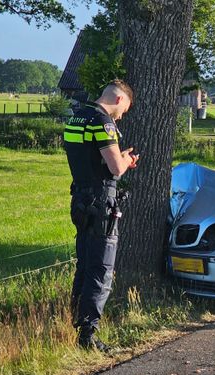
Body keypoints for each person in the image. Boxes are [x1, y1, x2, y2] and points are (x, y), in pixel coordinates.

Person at [63, 80, 138, 351]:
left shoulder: (77, 118)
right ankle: (88, 336)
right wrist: (127, 160)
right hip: (101, 201)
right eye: (125, 109)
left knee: (84, 264)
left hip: (80, 198)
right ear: (119, 100)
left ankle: (73, 322)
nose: (122, 115)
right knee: (101, 268)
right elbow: (115, 168)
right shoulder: (103, 122)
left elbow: (87, 157)